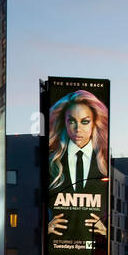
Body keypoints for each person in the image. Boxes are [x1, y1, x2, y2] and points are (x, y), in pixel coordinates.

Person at [47, 89, 110, 240]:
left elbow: (114, 212)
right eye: (72, 121)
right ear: (64, 122)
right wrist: (45, 227)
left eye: (85, 121)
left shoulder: (104, 164)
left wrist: (107, 231)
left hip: (92, 250)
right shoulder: (51, 161)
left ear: (95, 123)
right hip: (57, 247)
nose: (77, 129)